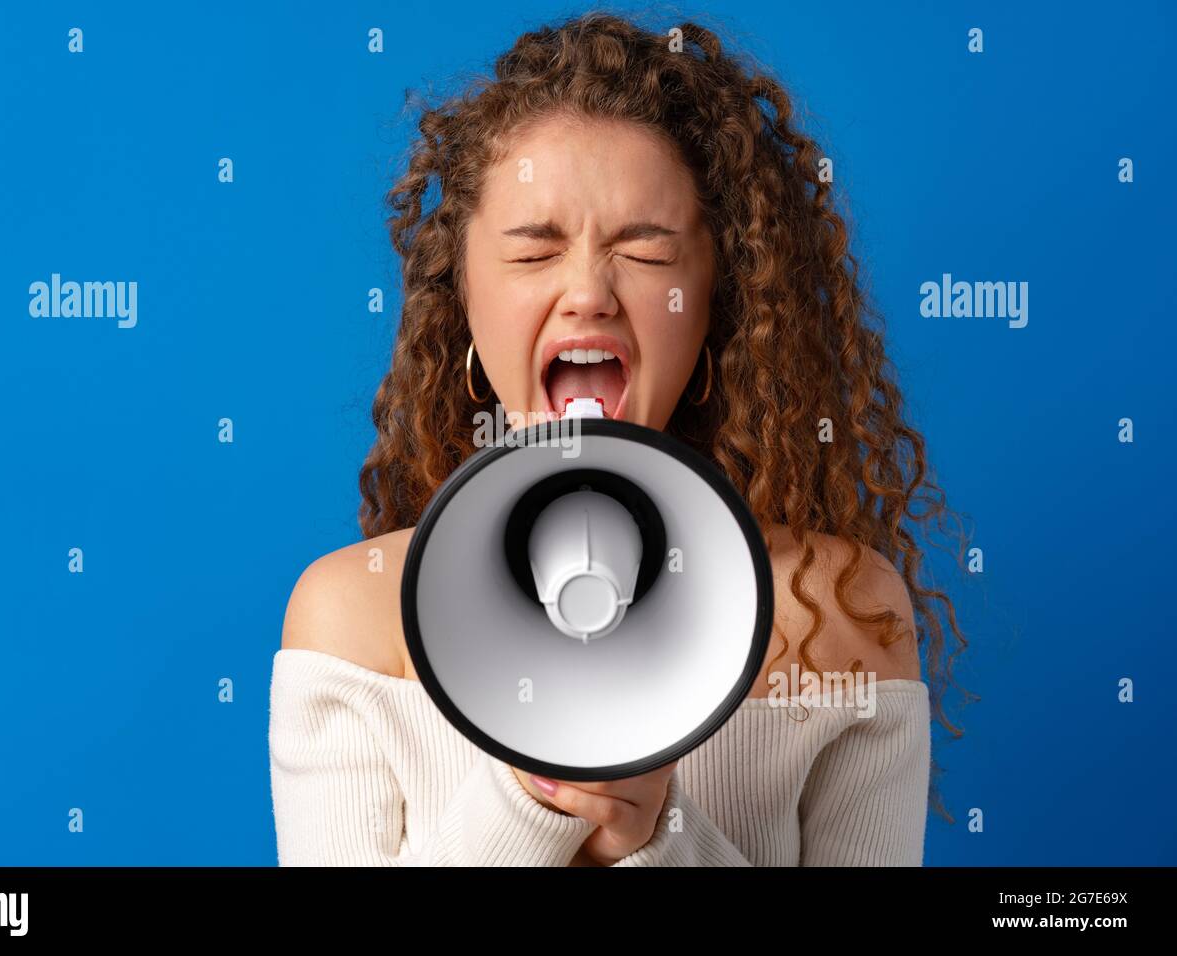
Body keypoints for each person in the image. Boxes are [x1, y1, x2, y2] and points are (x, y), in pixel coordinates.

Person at [269, 11, 972, 866]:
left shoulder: (845, 616)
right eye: (534, 254)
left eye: (645, 253)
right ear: (462, 297)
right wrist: (526, 806)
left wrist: (659, 840)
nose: (588, 294)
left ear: (717, 301)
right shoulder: (351, 623)